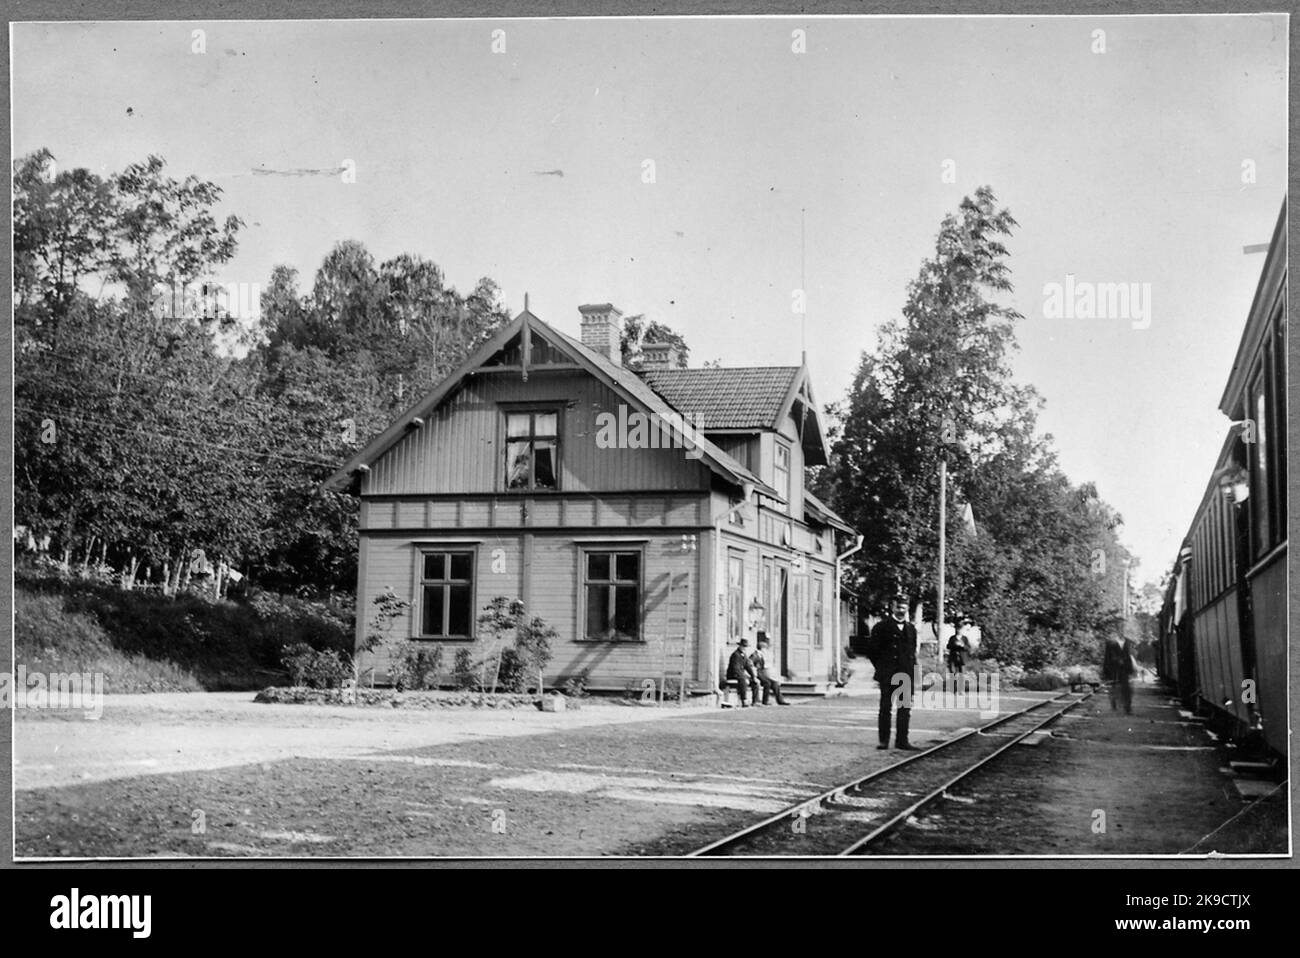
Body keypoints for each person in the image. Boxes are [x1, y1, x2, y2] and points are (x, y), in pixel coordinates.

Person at [866, 595, 920, 750]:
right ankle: (884, 741)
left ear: (907, 608)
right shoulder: (881, 627)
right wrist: (882, 668)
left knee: (904, 708)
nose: (901, 610)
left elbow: (912, 653)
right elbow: (872, 651)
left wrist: (913, 673)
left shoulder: (911, 629)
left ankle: (902, 740)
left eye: (904, 608)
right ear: (892, 607)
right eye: (898, 607)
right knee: (885, 708)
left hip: (905, 675)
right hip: (888, 674)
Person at [750, 634, 790, 705]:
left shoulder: (763, 655)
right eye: (764, 648)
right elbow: (750, 663)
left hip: (765, 673)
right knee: (767, 683)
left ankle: (780, 700)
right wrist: (755, 669)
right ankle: (765, 701)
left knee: (775, 684)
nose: (765, 650)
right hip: (758, 673)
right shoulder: (755, 655)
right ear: (761, 648)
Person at [1102, 634, 1134, 715]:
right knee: (1114, 687)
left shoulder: (1127, 643)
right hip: (1114, 670)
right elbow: (1107, 658)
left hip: (1123, 670)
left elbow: (1128, 657)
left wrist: (1129, 668)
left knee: (1125, 689)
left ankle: (1127, 708)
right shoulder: (1110, 643)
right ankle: (1116, 705)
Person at [727, 638, 759, 707]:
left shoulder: (744, 655)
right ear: (740, 646)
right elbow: (735, 668)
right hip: (733, 674)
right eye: (743, 646)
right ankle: (744, 699)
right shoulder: (736, 655)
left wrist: (753, 676)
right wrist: (744, 676)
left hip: (740, 674)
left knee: (755, 682)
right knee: (743, 680)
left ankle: (755, 701)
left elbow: (748, 667)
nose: (744, 648)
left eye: (746, 647)